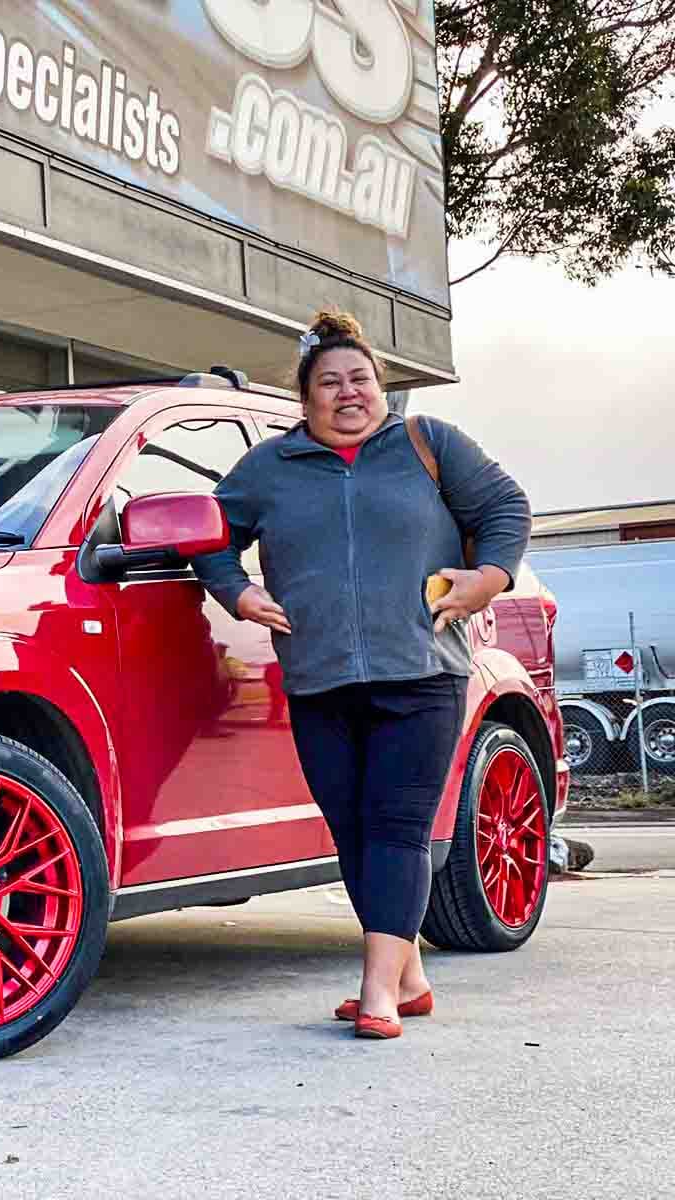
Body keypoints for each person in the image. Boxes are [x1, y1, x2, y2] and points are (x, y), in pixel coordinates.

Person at [191, 309, 531, 1039]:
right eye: (330, 383)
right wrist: (237, 591)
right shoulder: (270, 469)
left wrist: (489, 577)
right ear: (306, 398)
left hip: (423, 671)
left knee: (397, 828)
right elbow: (210, 532)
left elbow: (504, 505)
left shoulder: (427, 443)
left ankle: (376, 993)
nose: (349, 393)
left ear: (380, 385)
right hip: (320, 679)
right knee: (352, 831)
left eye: (361, 379)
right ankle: (408, 978)